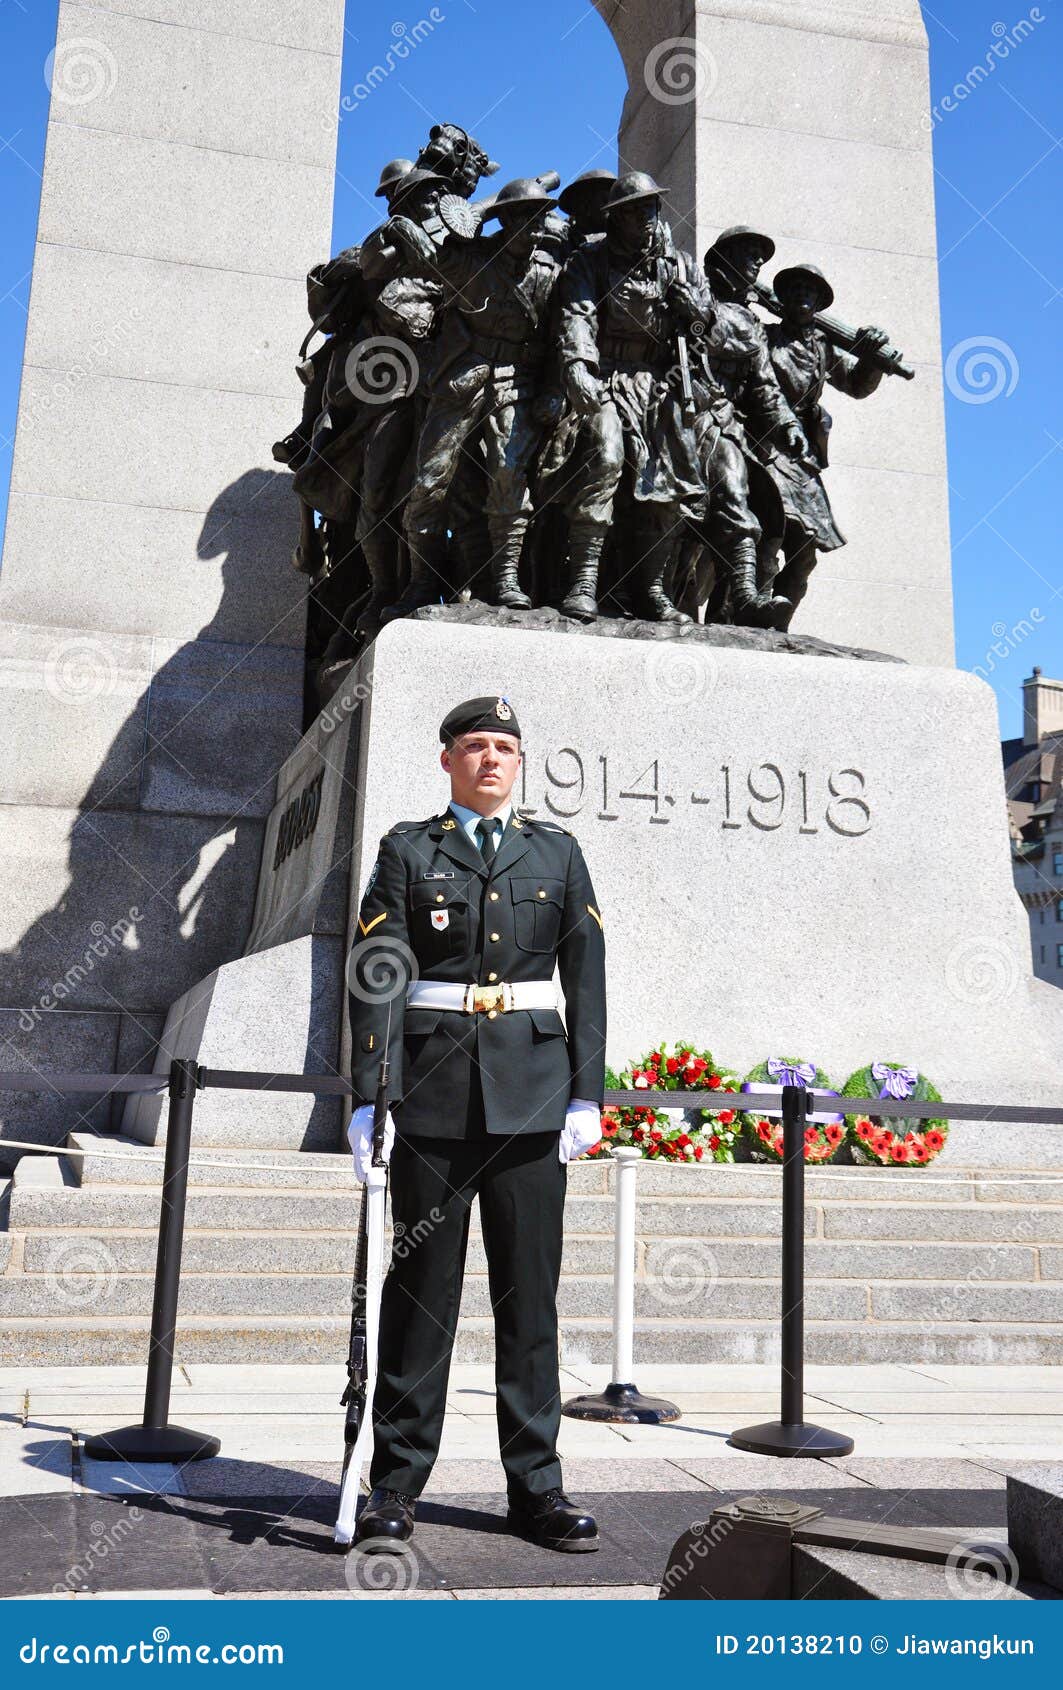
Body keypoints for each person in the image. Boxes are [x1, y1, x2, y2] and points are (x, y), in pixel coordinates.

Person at [346, 695, 607, 1553]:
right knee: (420, 1299)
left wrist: (586, 1095)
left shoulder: (558, 853)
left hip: (531, 1098)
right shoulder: (407, 849)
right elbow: (379, 969)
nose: (490, 759)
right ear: (447, 759)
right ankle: (393, 1486)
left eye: (504, 747)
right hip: (430, 1095)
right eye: (474, 746)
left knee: (528, 1303)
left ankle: (537, 1490)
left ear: (519, 762)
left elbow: (586, 978)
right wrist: (366, 1094)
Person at [554, 171, 708, 623]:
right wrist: (579, 369)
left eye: (651, 208)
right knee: (605, 457)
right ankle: (584, 582)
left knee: (669, 489)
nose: (646, 218)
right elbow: (575, 316)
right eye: (635, 211)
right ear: (616, 218)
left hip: (658, 386)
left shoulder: (681, 266)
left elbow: (706, 333)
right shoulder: (590, 260)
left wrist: (694, 313)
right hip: (605, 379)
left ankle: (654, 591)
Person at [763, 263, 889, 628]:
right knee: (769, 535)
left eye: (810, 290)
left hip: (802, 455)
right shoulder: (765, 337)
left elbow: (856, 385)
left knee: (806, 551)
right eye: (796, 288)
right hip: (763, 441)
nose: (803, 294)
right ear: (782, 298)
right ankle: (750, 612)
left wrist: (871, 356)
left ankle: (778, 620)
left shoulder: (823, 347)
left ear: (818, 301)